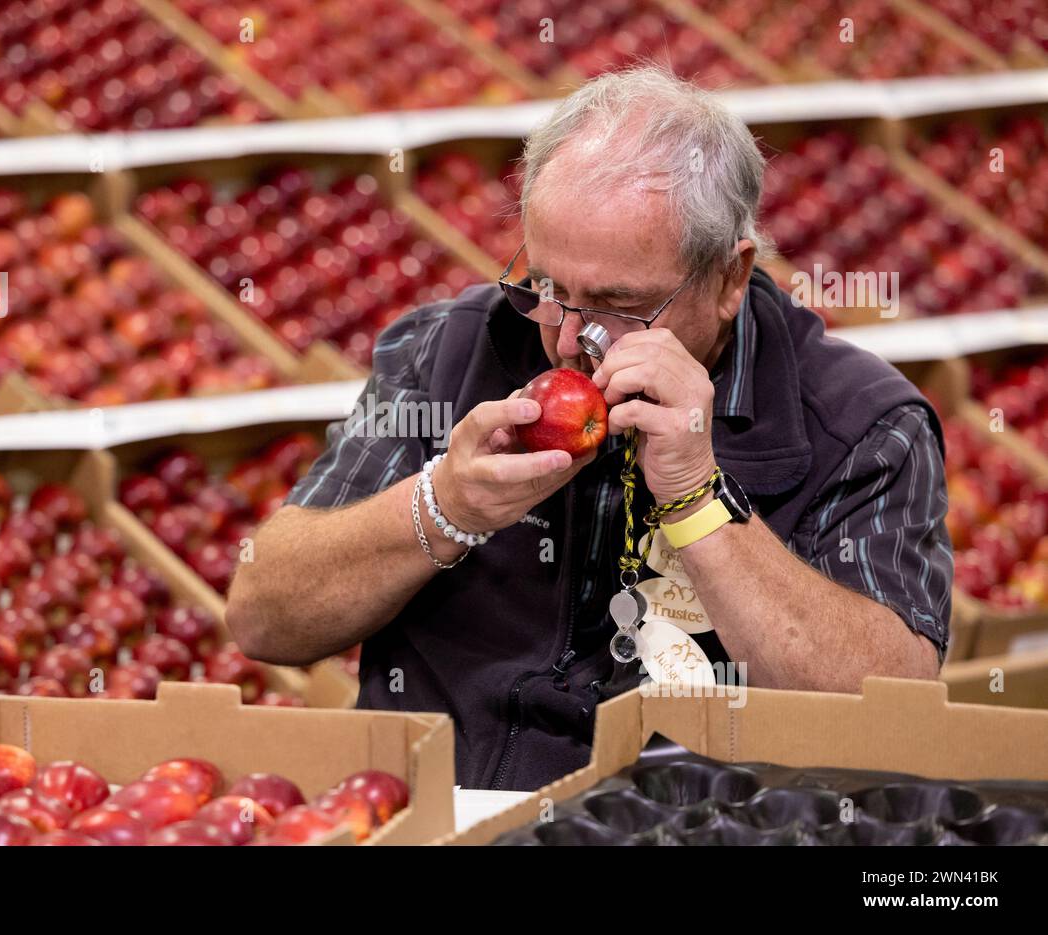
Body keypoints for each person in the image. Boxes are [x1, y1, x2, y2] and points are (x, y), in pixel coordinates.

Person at [226, 67, 952, 791]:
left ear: (730, 280)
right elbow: (264, 617)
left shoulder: (862, 424)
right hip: (434, 817)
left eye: (617, 304)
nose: (570, 341)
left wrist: (699, 501)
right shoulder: (449, 352)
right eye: (548, 288)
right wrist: (442, 505)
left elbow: (891, 713)